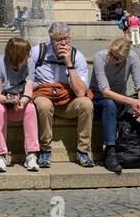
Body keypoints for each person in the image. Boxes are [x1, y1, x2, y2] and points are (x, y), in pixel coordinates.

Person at [93, 36, 140, 174]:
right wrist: (132, 101)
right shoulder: (100, 57)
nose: (112, 59)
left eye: (117, 58)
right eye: (111, 54)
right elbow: (105, 91)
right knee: (109, 103)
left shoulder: (132, 57)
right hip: (99, 99)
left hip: (121, 100)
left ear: (126, 57)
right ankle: (110, 152)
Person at [28, 23, 94, 168]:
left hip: (67, 103)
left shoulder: (78, 56)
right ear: (51, 40)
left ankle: (82, 151)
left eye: (66, 39)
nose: (63, 43)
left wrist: (69, 64)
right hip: (44, 98)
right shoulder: (37, 52)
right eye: (59, 40)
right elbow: (28, 79)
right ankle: (45, 150)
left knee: (86, 104)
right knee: (44, 105)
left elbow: (81, 92)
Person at [0, 37, 39, 172]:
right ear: (17, 55)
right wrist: (11, 100)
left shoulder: (30, 63)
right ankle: (1, 155)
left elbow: (28, 90)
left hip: (13, 104)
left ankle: (31, 154)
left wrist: (22, 101)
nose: (29, 55)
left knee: (30, 107)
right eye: (26, 53)